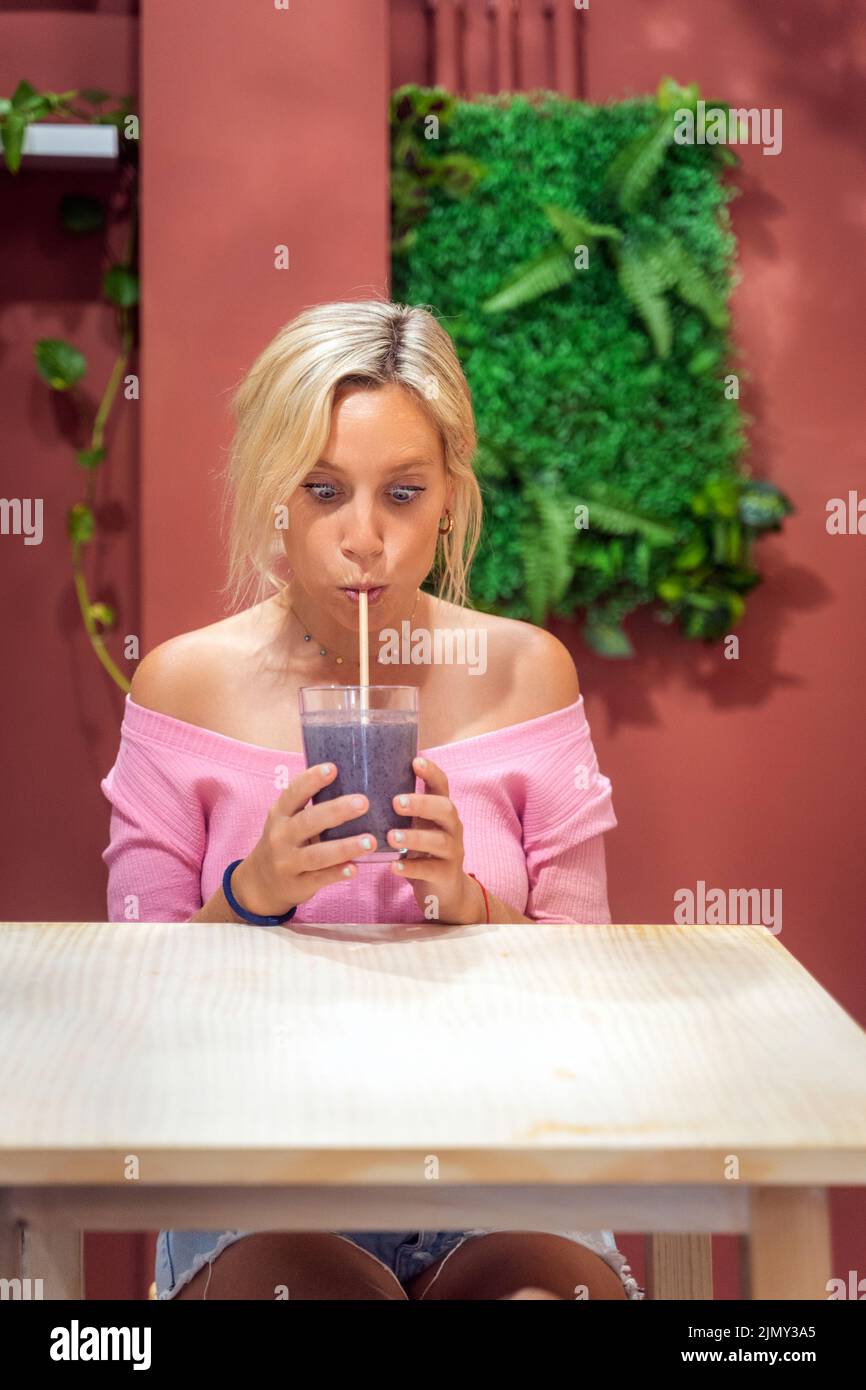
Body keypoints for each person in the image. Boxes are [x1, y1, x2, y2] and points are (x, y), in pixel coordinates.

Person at [101, 298, 644, 1302]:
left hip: (505, 1159)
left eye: (400, 493)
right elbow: (130, 1007)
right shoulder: (180, 686)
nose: (364, 539)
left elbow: (596, 998)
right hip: (265, 1171)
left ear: (448, 497)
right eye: (321, 492)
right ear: (274, 497)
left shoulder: (528, 673)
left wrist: (472, 909)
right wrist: (252, 890)